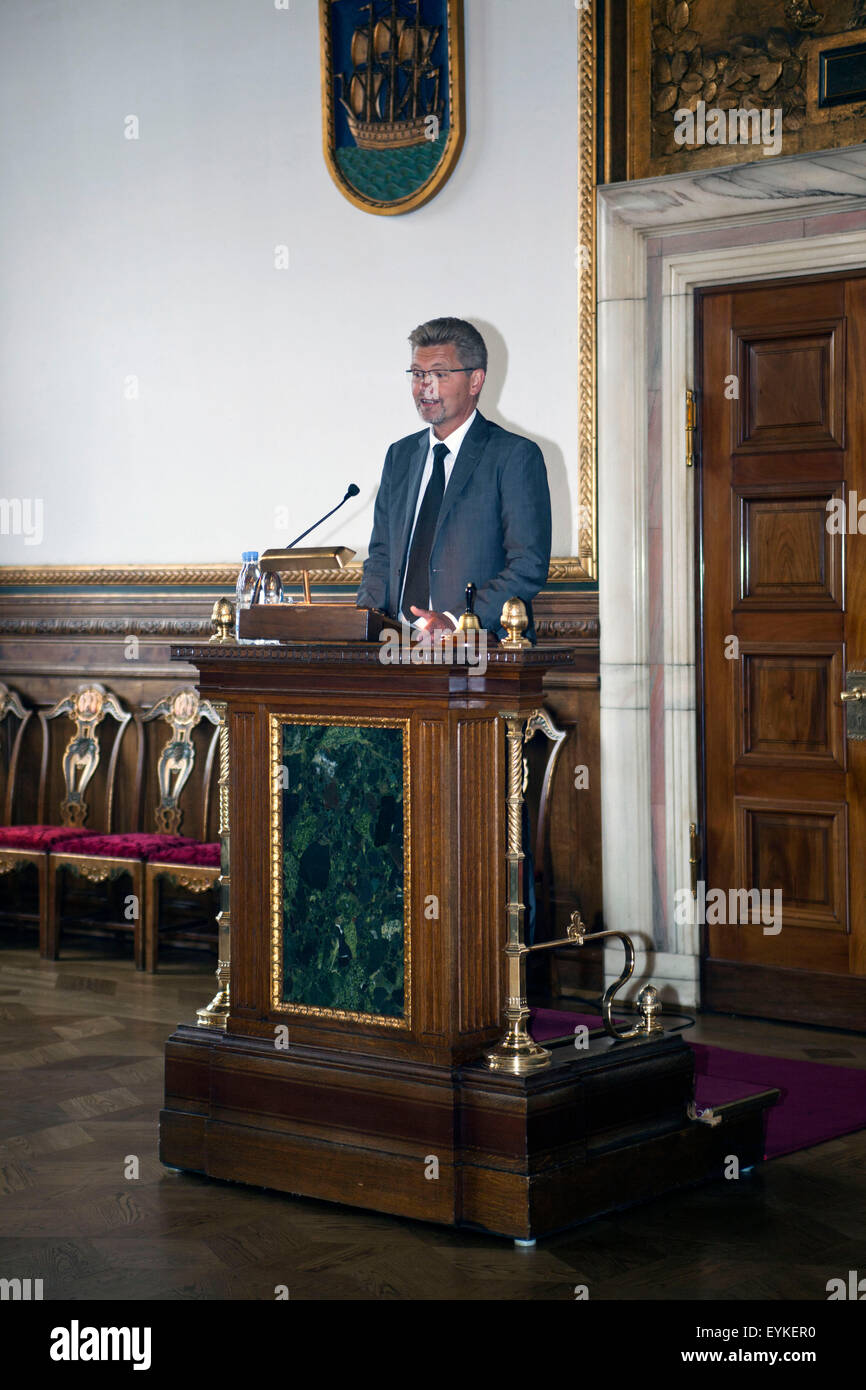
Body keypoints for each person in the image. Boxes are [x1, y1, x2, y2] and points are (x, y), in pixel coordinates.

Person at [355, 317, 551, 640]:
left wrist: (457, 621)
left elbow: (527, 565)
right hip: (394, 652)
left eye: (440, 374)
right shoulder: (400, 457)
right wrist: (364, 622)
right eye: (418, 375)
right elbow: (381, 557)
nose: (425, 387)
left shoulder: (514, 456)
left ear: (475, 381)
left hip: (480, 653)